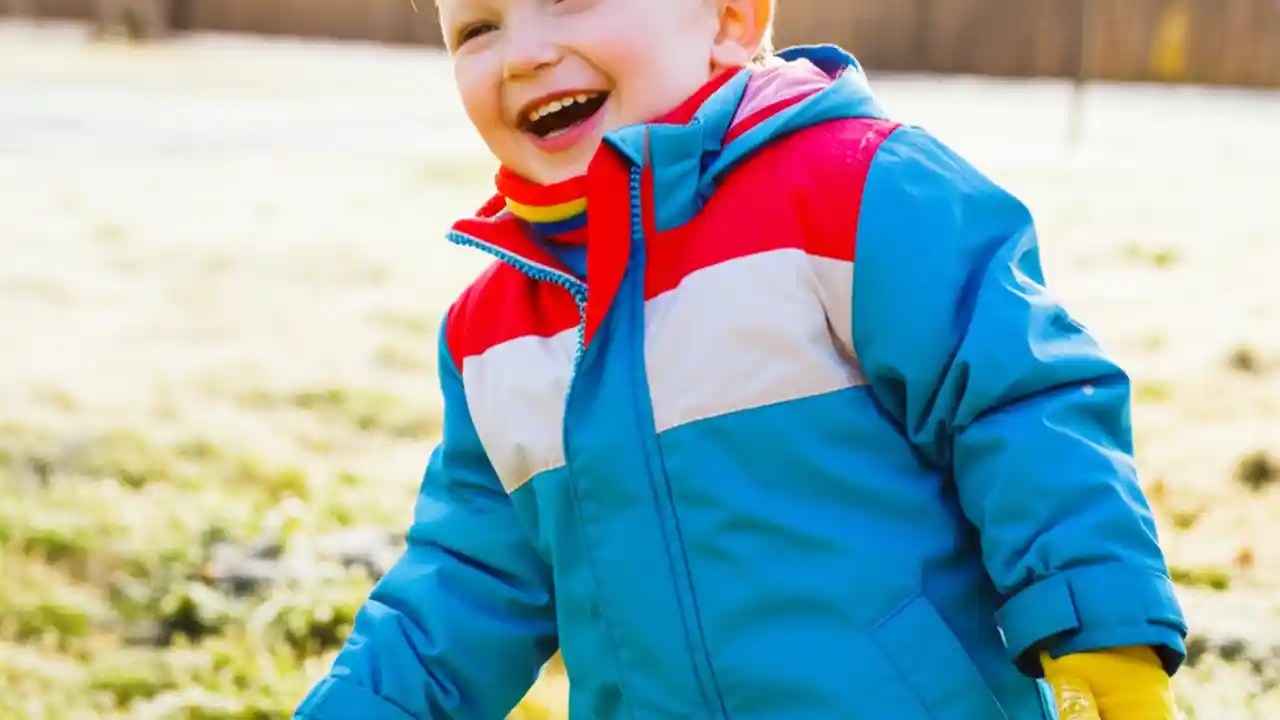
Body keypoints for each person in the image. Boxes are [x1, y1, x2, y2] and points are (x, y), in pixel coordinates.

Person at [294, 1, 1188, 718]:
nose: (521, 53)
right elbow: (467, 580)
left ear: (728, 18)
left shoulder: (855, 192)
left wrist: (1096, 619)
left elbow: (1021, 402)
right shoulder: (498, 331)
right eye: (477, 28)